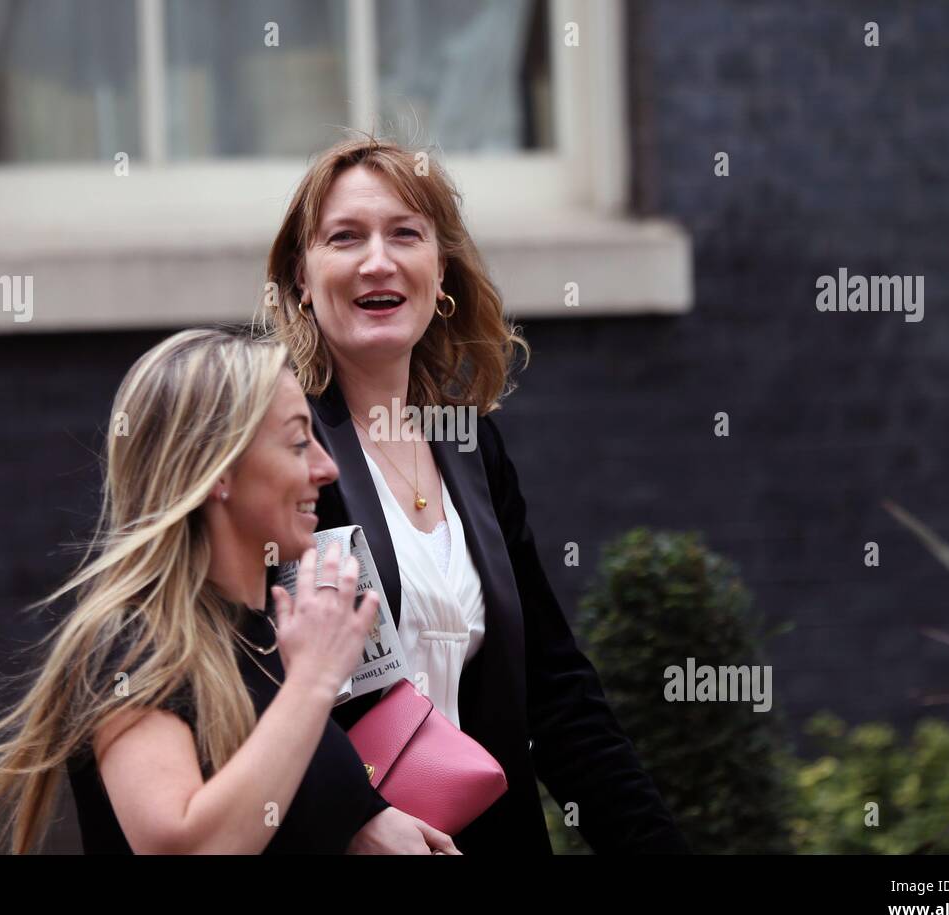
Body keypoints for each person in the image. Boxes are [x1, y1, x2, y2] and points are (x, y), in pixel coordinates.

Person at [263, 136, 691, 854]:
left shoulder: (470, 448)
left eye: (406, 234)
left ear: (441, 271)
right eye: (345, 238)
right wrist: (355, 815)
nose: (378, 260)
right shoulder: (284, 450)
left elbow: (556, 692)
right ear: (302, 278)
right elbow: (245, 681)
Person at [0, 327, 459, 854]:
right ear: (217, 471)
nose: (326, 467)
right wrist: (315, 680)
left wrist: (359, 822)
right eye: (298, 442)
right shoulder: (133, 646)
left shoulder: (266, 632)